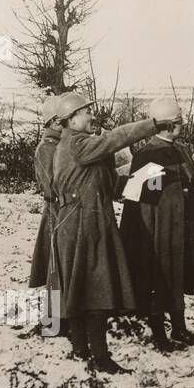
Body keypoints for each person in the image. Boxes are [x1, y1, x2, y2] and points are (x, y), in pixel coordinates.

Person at [50, 92, 173, 373]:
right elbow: (113, 140)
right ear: (71, 118)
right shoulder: (76, 143)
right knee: (96, 290)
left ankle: (82, 350)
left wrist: (144, 174)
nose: (92, 115)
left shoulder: (80, 150)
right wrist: (153, 125)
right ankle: (101, 358)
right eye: (86, 111)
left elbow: (108, 188)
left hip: (86, 223)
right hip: (84, 225)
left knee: (80, 288)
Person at [118, 96, 194, 351]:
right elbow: (144, 199)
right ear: (169, 125)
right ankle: (159, 334)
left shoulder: (180, 149)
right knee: (159, 276)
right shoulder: (149, 154)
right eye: (179, 121)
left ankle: (180, 328)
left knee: (177, 274)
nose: (182, 125)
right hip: (159, 227)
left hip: (183, 225)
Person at [25, 95, 64, 338]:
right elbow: (51, 187)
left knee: (60, 266)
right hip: (56, 212)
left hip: (60, 211)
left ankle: (60, 317)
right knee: (54, 268)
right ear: (54, 122)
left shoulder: (57, 145)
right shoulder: (48, 148)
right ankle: (53, 320)